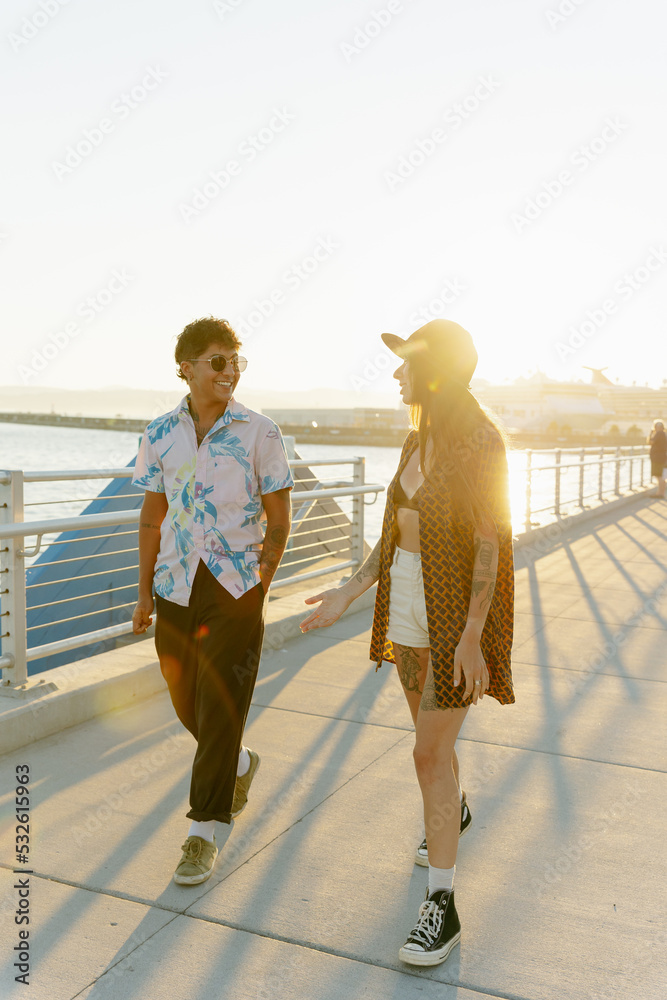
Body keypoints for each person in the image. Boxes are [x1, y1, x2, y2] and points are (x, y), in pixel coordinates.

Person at [300, 319, 514, 967]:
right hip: (405, 601)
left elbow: (490, 541)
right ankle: (456, 806)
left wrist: (474, 635)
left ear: (436, 370)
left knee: (426, 755)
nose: (395, 374)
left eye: (405, 363)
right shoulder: (411, 440)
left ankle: (441, 906)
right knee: (434, 750)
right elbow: (393, 533)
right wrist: (349, 590)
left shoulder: (482, 441)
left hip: (457, 614)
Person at [131, 316, 293, 885]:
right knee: (185, 700)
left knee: (222, 701)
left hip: (236, 585)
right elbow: (152, 516)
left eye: (236, 361)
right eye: (219, 362)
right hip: (174, 584)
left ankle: (203, 831)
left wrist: (261, 582)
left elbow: (280, 517)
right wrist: (142, 592)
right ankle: (241, 763)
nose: (230, 371)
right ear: (187, 366)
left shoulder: (260, 433)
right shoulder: (157, 434)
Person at [647, 419, 666, 498]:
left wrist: (651, 434)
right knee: (662, 476)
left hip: (658, 458)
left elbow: (651, 442)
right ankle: (661, 493)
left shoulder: (659, 434)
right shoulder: (664, 434)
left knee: (659, 476)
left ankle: (660, 493)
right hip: (662, 457)